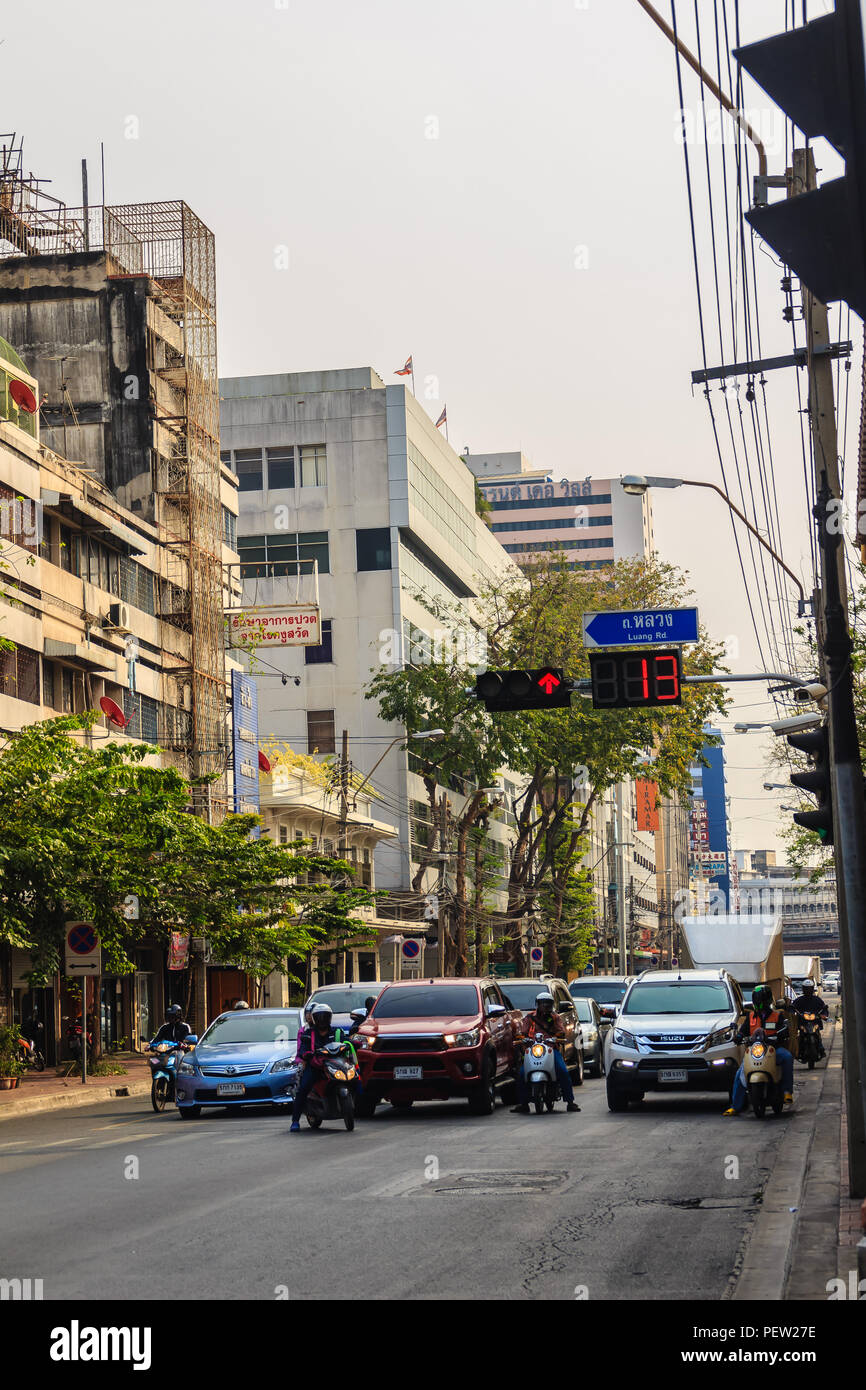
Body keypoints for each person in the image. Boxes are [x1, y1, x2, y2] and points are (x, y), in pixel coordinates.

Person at [724, 985, 794, 1115]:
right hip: (755, 1051)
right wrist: (738, 1036)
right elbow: (743, 1031)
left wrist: (781, 1034)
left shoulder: (776, 1016)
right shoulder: (750, 1017)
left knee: (787, 1057)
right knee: (740, 1073)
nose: (759, 1003)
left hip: (773, 1049)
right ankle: (735, 1106)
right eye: (757, 999)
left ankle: (786, 1092)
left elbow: (784, 1031)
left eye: (761, 999)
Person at [510, 991, 581, 1114]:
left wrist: (558, 1037)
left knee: (563, 1071)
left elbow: (560, 1031)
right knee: (522, 1074)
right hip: (533, 1050)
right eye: (543, 1004)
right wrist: (522, 1038)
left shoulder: (555, 1017)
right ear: (538, 1005)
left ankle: (570, 1102)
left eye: (547, 1004)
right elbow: (523, 1032)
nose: (545, 1006)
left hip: (551, 1049)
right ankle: (523, 1103)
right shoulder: (529, 1017)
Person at [290, 1003, 345, 1132]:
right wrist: (305, 1054)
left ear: (330, 1018)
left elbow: (345, 1040)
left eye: (325, 1017)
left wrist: (355, 1043)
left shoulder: (336, 1032)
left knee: (354, 1077)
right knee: (303, 1088)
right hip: (315, 1066)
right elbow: (302, 1048)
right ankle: (295, 1121)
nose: (322, 1020)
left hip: (334, 1065)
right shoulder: (309, 1034)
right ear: (314, 1019)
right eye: (319, 1017)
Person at [791, 980, 829, 1058]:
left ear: (812, 989)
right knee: (799, 1035)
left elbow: (824, 1008)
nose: (808, 990)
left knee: (817, 1034)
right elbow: (792, 1007)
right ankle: (798, 1050)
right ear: (803, 989)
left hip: (815, 1022)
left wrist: (824, 1015)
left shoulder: (817, 1000)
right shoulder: (799, 1000)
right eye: (806, 988)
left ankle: (821, 1049)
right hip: (803, 1022)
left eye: (809, 988)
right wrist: (792, 1012)